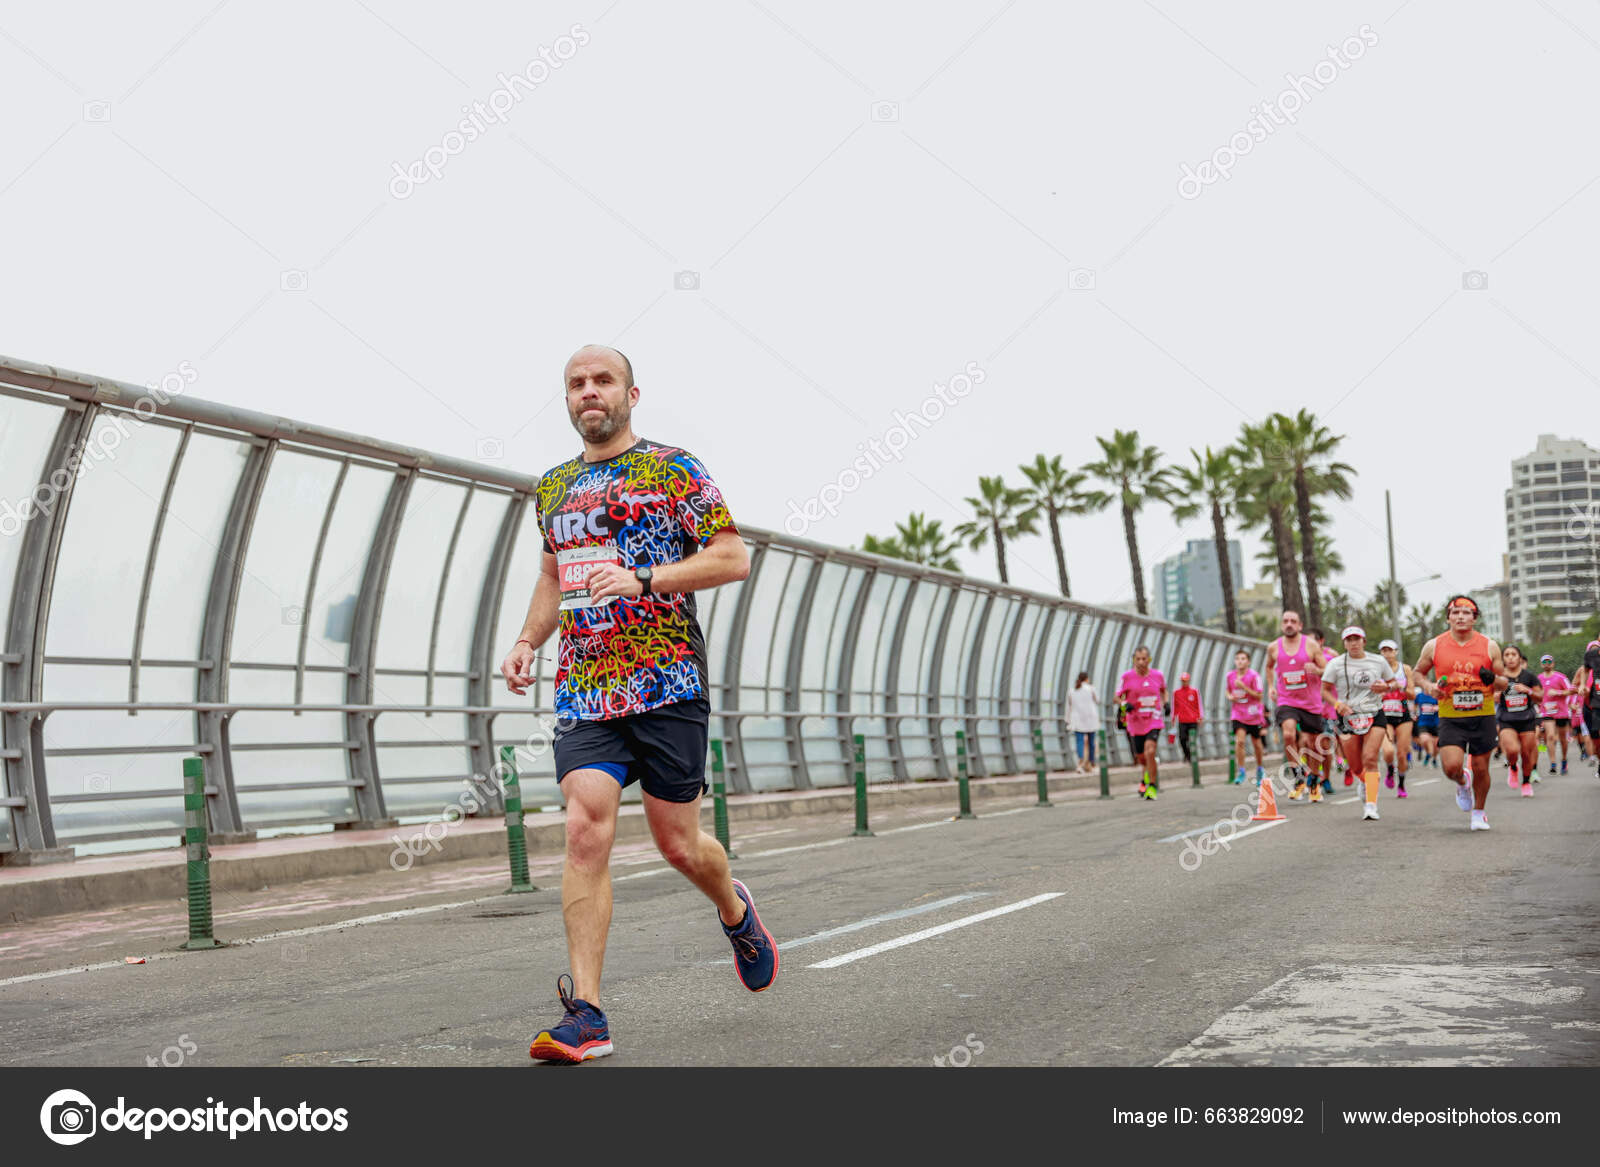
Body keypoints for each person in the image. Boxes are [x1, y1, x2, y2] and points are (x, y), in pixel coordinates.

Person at [501, 345, 775, 1064]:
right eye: (576, 383)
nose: (589, 392)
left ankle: (734, 909)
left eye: (603, 381)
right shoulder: (554, 487)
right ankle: (586, 1014)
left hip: (667, 683)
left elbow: (732, 557)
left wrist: (646, 579)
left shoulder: (674, 469)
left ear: (631, 394)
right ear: (567, 399)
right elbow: (552, 576)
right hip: (586, 687)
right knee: (583, 827)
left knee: (678, 845)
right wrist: (528, 640)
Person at [1412, 594, 1507, 831]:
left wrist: (1492, 679)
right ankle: (1463, 782)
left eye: (1466, 613)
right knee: (1451, 767)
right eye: (1455, 613)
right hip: (1450, 716)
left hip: (1482, 714)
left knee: (1481, 767)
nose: (1461, 617)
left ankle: (1479, 813)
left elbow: (1504, 682)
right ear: (1448, 618)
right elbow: (1417, 674)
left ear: (1474, 618)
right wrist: (1429, 687)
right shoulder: (1434, 645)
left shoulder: (1489, 645)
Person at [1321, 626, 1398, 821]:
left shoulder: (1378, 661)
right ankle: (1365, 782)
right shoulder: (1335, 664)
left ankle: (1371, 805)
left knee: (1370, 757)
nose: (1353, 643)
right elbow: (1325, 690)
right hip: (1348, 717)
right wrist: (1337, 704)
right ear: (1344, 643)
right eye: (1349, 640)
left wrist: (1386, 686)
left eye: (1357, 639)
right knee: (1355, 766)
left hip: (1374, 713)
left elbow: (1394, 683)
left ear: (1364, 641)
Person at [1262, 610, 1327, 803]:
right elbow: (1268, 666)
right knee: (1289, 734)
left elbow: (1326, 669)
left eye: (1293, 621)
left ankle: (1314, 781)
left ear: (1300, 625)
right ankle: (1298, 777)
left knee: (1313, 744)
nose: (1289, 624)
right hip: (1286, 700)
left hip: (1310, 702)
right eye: (1285, 621)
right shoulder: (1273, 647)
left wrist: (1316, 670)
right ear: (1282, 625)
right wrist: (1271, 686)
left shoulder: (1311, 645)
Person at [1115, 645, 1167, 800]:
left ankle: (1152, 786)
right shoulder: (1127, 677)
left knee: (1150, 751)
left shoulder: (1157, 675)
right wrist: (1124, 704)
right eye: (1138, 659)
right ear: (1133, 660)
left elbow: (1164, 691)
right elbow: (1116, 697)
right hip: (1135, 722)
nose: (1141, 662)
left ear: (1149, 660)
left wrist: (1166, 703)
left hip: (1153, 719)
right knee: (1141, 757)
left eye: (1144, 659)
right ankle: (1146, 775)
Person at [1496, 644, 1543, 797]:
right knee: (1512, 750)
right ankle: (1513, 767)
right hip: (1507, 719)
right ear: (1503, 659)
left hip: (1526, 719)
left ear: (1519, 658)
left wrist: (1527, 690)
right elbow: (1491, 696)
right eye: (1507, 655)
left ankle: (1526, 782)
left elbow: (1540, 697)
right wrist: (1499, 693)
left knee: (1526, 754)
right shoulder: (1499, 678)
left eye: (1513, 654)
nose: (1510, 657)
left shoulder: (1529, 676)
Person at [1377, 639, 1414, 796]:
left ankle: (1402, 784)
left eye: (1390, 650)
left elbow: (1412, 694)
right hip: (1384, 715)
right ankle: (1390, 768)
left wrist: (1401, 687)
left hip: (1403, 714)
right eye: (1384, 651)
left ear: (1396, 652)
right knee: (1388, 751)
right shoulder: (1376, 669)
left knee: (1402, 754)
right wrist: (1380, 692)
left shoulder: (1405, 669)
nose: (1387, 654)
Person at [1225, 649, 1266, 785]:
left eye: (1243, 659)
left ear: (1248, 662)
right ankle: (1241, 770)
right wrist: (1230, 696)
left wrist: (1244, 687)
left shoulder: (1254, 676)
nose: (1240, 661)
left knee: (1257, 744)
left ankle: (1259, 768)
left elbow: (1259, 696)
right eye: (1237, 659)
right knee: (1240, 741)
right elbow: (1227, 690)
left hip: (1253, 714)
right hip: (1238, 713)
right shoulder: (1230, 676)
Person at [1537, 654, 1571, 777]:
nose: (1546, 664)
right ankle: (1553, 763)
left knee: (1562, 739)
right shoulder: (1538, 678)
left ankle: (1564, 760)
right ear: (1541, 664)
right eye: (1544, 662)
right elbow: (1535, 693)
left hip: (1561, 712)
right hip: (1547, 712)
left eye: (1549, 661)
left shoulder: (1560, 677)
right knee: (1550, 736)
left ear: (1553, 663)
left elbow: (1572, 690)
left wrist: (1558, 692)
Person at [1068, 671, 1100, 774]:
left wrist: (1068, 720)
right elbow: (1098, 700)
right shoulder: (1091, 689)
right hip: (1091, 719)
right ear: (1087, 679)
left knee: (1080, 742)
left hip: (1077, 720)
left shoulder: (1072, 690)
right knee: (1091, 743)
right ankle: (1092, 764)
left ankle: (1080, 764)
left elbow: (1069, 706)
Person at [1173, 672, 1204, 764]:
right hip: (1182, 720)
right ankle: (1187, 755)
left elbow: (1199, 705)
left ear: (1189, 681)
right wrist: (1173, 717)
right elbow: (1175, 706)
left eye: (1186, 681)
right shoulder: (1176, 693)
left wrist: (1200, 717)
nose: (1184, 682)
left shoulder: (1194, 692)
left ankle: (1192, 757)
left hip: (1193, 720)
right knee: (1182, 739)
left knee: (1192, 739)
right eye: (1183, 681)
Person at [1413, 683, 1440, 771]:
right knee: (1425, 740)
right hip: (1423, 722)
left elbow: (1443, 706)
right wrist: (1414, 714)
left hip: (1435, 723)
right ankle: (1429, 753)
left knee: (1436, 745)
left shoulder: (1436, 696)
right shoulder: (1420, 696)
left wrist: (1437, 707)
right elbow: (1415, 705)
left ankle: (1434, 758)